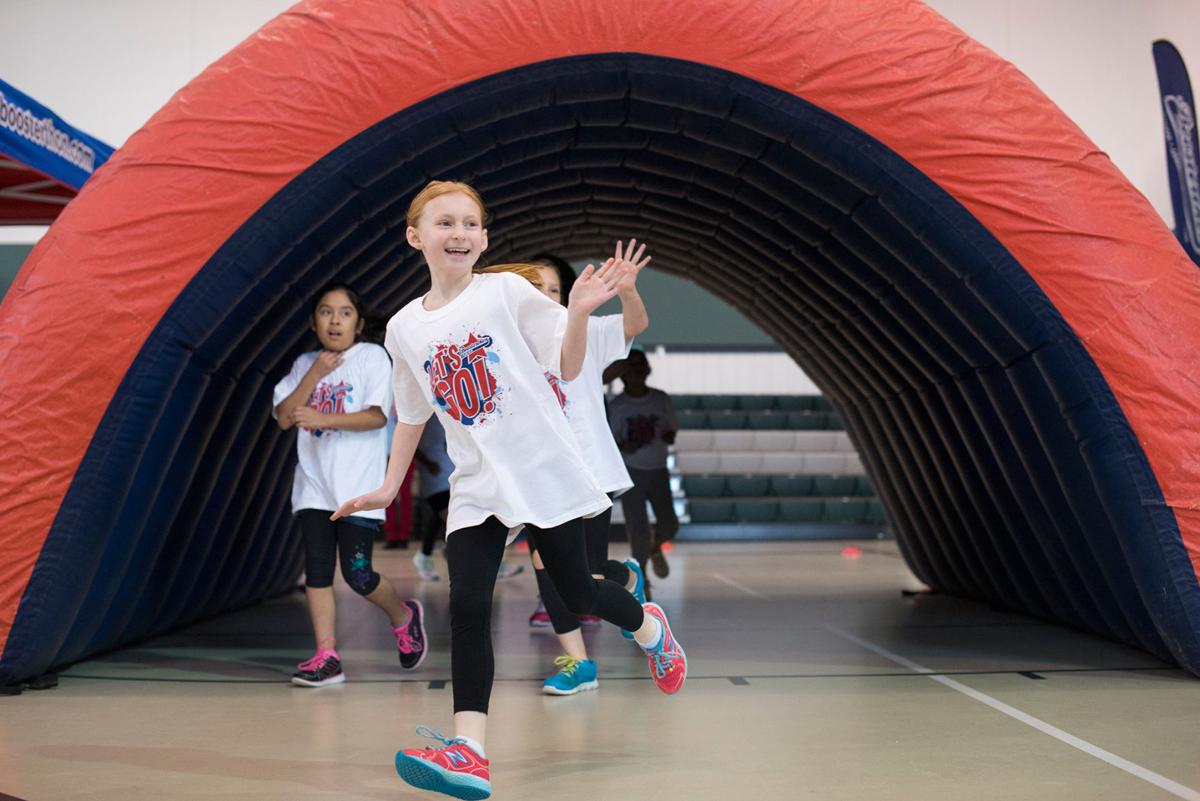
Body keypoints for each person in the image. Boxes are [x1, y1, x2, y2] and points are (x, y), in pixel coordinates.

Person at [333, 181, 687, 800]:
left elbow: (569, 365)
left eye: (471, 224)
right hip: (477, 487)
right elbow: (412, 414)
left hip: (543, 469)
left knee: (576, 594)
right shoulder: (403, 328)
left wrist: (576, 312)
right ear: (416, 236)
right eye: (445, 223)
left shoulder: (506, 292)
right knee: (469, 606)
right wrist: (389, 487)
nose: (460, 234)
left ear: (486, 238)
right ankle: (469, 751)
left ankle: (648, 626)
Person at [481, 252, 652, 696]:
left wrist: (628, 291)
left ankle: (624, 576)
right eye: (533, 287)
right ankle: (579, 662)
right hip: (537, 480)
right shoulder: (502, 345)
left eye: (553, 289)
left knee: (586, 579)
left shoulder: (588, 331)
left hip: (588, 473)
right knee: (548, 569)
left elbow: (634, 325)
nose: (544, 296)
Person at [271, 284, 427, 687]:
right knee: (317, 572)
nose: (335, 320)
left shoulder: (373, 358)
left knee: (358, 575)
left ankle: (403, 616)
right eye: (325, 312)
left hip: (359, 489)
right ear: (313, 321)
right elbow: (285, 416)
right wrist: (316, 373)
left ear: (358, 321)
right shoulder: (305, 363)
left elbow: (376, 417)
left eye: (344, 312)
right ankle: (327, 656)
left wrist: (324, 419)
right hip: (313, 488)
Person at [608, 348, 681, 588]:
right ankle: (642, 579)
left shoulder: (661, 399)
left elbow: (671, 431)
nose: (637, 371)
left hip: (658, 470)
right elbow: (610, 440)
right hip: (632, 473)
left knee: (669, 523)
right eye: (632, 365)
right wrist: (623, 445)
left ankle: (655, 547)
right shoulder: (618, 406)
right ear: (623, 373)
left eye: (641, 365)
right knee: (637, 529)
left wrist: (668, 435)